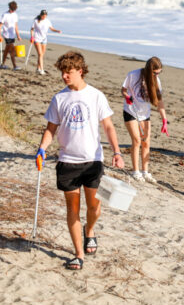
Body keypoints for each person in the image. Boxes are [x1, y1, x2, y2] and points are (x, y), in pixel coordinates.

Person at [36, 51, 125, 271]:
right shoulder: (59, 98)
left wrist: (117, 152)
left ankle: (90, 230)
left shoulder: (96, 95)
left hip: (93, 160)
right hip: (67, 161)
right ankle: (78, 254)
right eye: (62, 72)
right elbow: (50, 129)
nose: (65, 76)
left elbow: (108, 126)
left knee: (94, 206)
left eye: (69, 72)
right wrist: (41, 149)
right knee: (72, 208)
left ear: (81, 71)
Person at [120, 57, 169, 183]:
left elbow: (159, 101)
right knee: (136, 141)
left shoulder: (156, 81)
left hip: (144, 114)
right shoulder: (133, 75)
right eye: (155, 72)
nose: (157, 75)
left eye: (159, 72)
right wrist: (127, 97)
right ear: (148, 70)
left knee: (146, 143)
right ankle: (135, 171)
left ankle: (145, 171)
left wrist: (164, 120)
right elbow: (123, 90)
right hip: (131, 111)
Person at [30, 10, 61, 75]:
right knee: (40, 54)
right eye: (43, 15)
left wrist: (57, 31)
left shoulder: (47, 21)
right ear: (41, 15)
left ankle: (38, 68)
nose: (44, 16)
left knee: (41, 55)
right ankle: (41, 70)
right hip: (37, 39)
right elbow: (32, 29)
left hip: (44, 39)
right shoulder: (36, 21)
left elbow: (51, 28)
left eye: (45, 15)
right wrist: (32, 37)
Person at [0, 1, 22, 70]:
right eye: (11, 9)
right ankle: (15, 66)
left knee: (6, 51)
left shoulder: (15, 15)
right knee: (12, 50)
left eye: (14, 10)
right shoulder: (5, 15)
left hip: (12, 35)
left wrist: (18, 35)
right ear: (9, 8)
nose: (12, 11)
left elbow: (16, 26)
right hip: (6, 35)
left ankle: (2, 64)